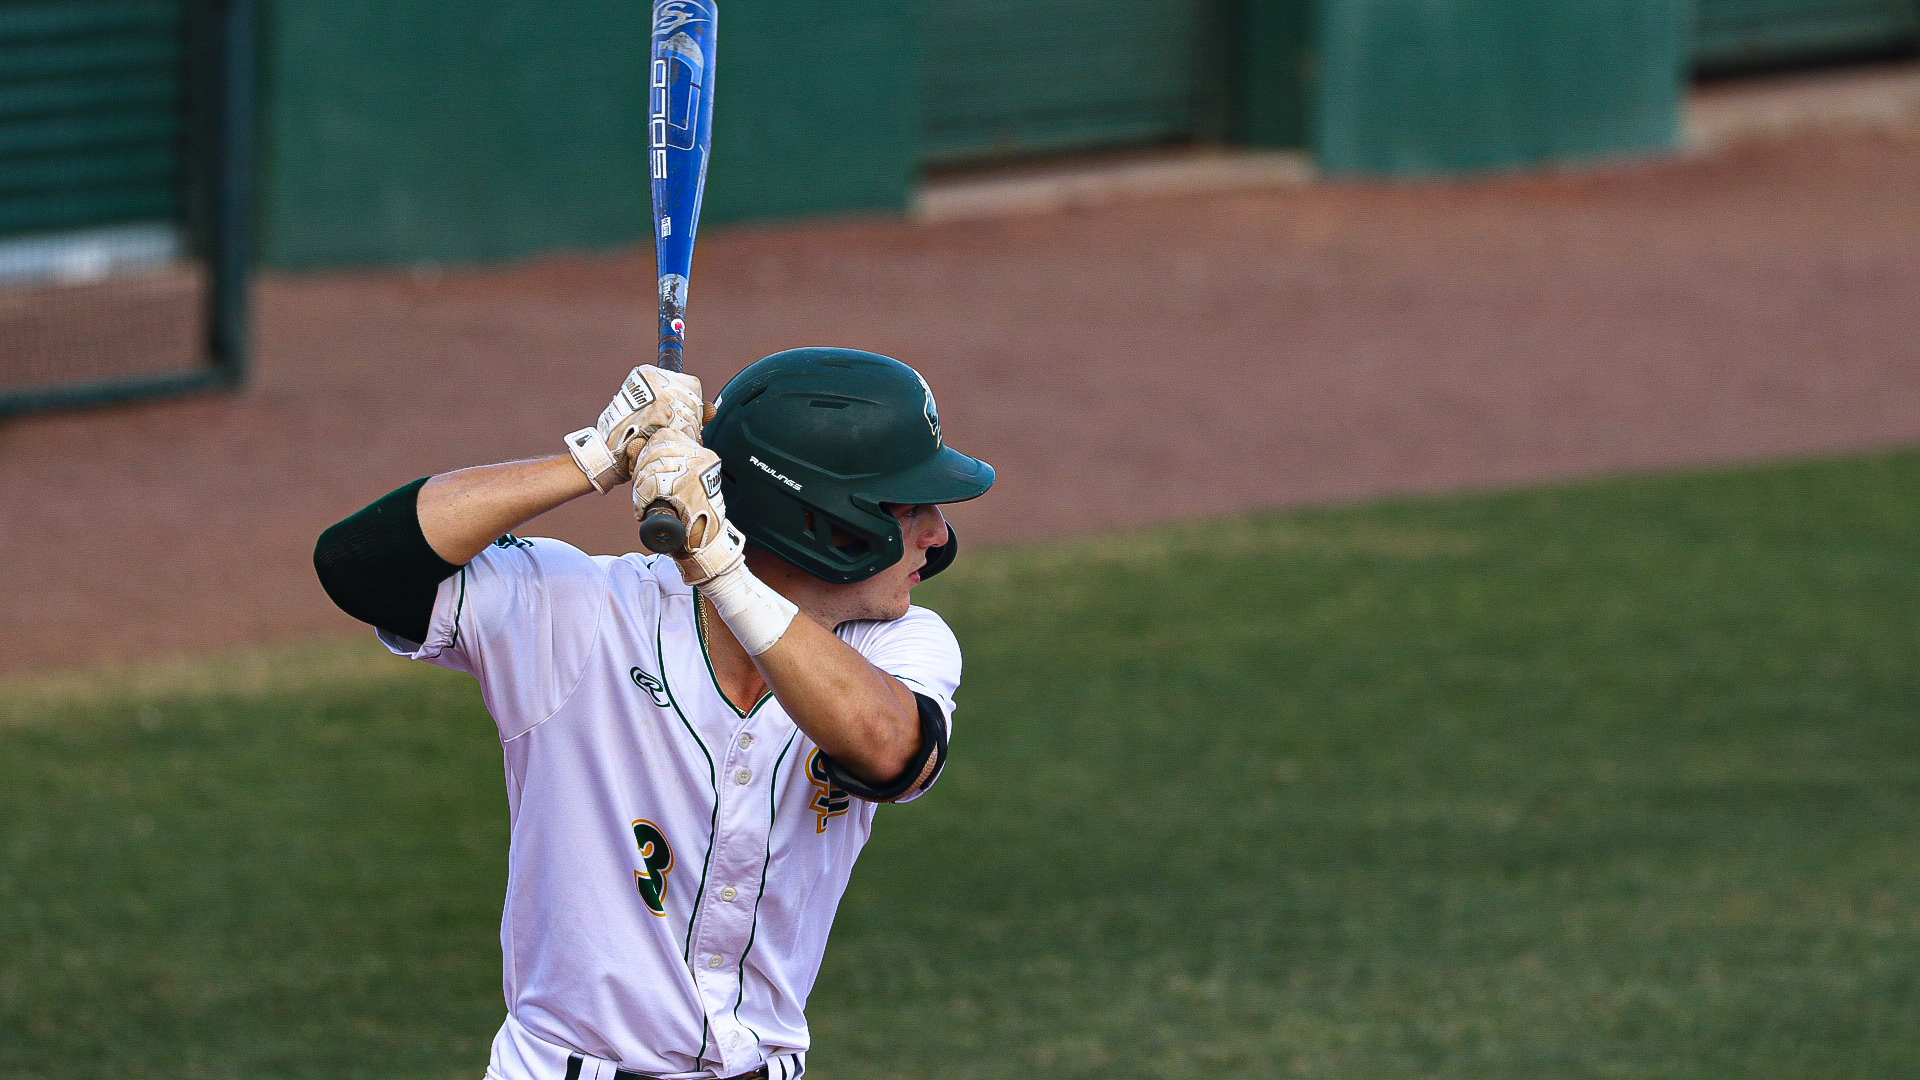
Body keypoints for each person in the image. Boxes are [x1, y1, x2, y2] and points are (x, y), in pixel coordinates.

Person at [313, 347, 994, 1080]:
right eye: (908, 508)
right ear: (821, 519)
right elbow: (361, 565)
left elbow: (893, 751)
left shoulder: (897, 646)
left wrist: (720, 567)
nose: (937, 535)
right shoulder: (579, 612)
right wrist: (593, 460)